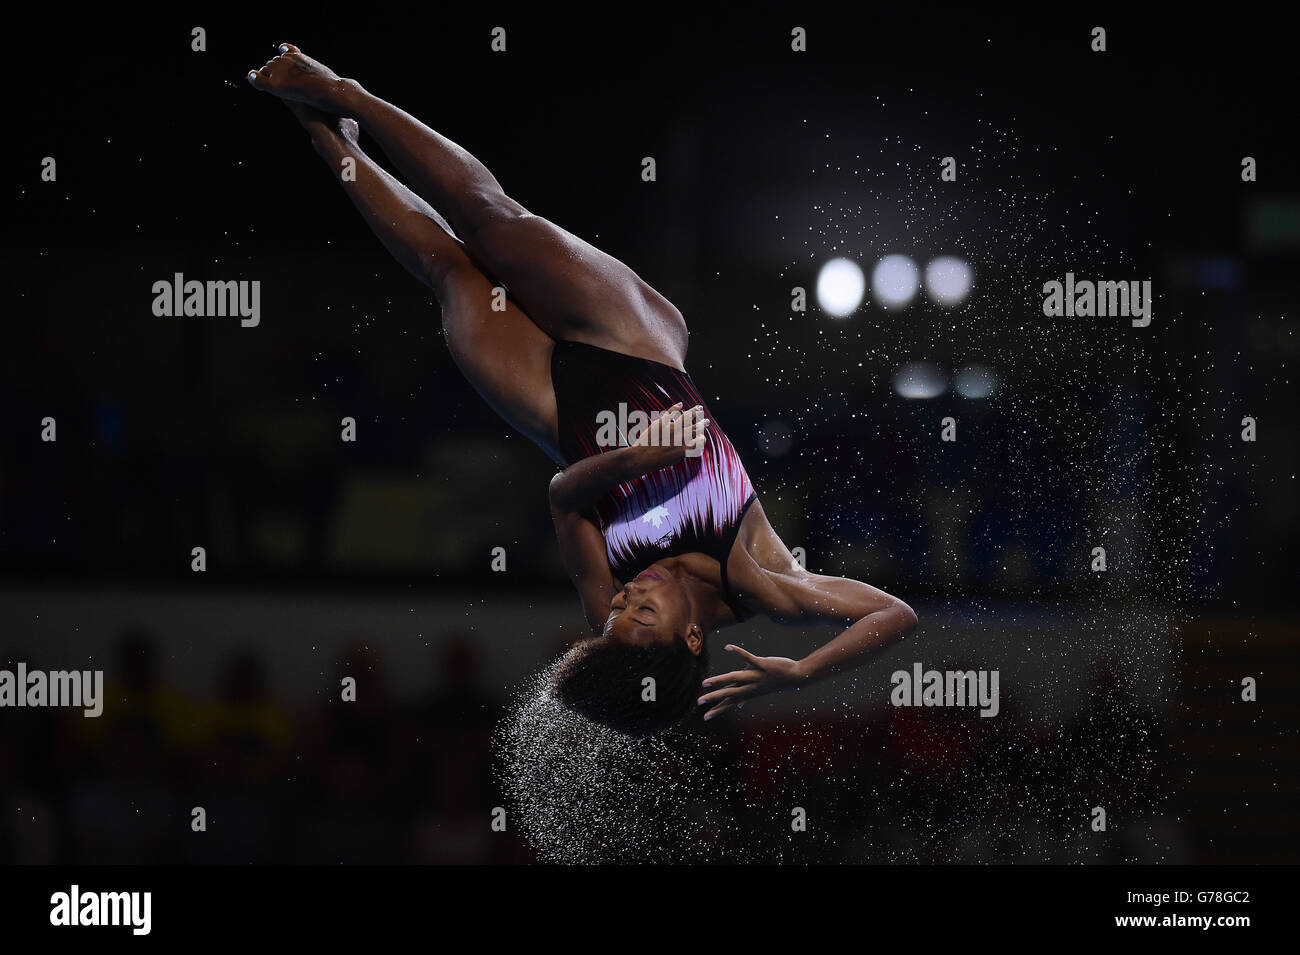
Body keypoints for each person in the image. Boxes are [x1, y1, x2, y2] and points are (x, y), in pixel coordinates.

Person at [248, 44, 917, 735]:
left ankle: (323, 131)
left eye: (619, 608)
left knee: (445, 267)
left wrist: (636, 461)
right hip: (634, 344)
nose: (628, 598)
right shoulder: (764, 581)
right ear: (692, 640)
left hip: (557, 411)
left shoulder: (606, 614)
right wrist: (803, 673)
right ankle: (345, 92)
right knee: (490, 221)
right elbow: (895, 614)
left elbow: (564, 495)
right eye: (644, 610)